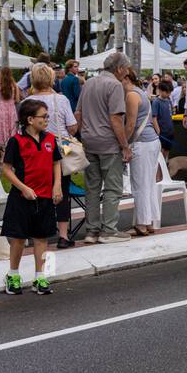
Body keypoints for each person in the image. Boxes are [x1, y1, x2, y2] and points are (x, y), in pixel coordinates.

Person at [0, 98, 63, 295]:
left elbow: (56, 163)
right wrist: (23, 187)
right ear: (29, 119)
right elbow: (7, 169)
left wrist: (57, 185)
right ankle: (13, 274)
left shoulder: (51, 139)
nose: (46, 119)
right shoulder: (16, 141)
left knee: (41, 238)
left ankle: (40, 276)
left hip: (44, 198)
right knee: (18, 238)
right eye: (43, 116)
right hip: (22, 198)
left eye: (47, 116)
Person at [77, 51, 133, 244]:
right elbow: (116, 119)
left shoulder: (89, 82)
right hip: (108, 143)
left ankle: (92, 231)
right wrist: (125, 146)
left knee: (92, 188)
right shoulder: (115, 85)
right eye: (125, 70)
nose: (126, 73)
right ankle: (109, 230)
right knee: (112, 188)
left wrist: (81, 134)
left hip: (88, 141)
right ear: (119, 69)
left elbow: (79, 113)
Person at [26, 62, 78, 248]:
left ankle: (38, 233)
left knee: (37, 190)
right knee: (62, 189)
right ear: (51, 79)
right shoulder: (61, 100)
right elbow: (72, 127)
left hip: (35, 150)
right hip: (61, 147)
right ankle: (63, 235)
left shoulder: (27, 102)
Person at [123, 68, 161, 237]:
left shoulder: (131, 95)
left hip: (141, 143)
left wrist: (123, 144)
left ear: (125, 78)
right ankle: (150, 222)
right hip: (152, 141)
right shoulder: (142, 93)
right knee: (148, 184)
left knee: (140, 185)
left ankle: (142, 224)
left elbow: (130, 125)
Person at [0, 67, 21, 153]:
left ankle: (3, 152)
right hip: (11, 110)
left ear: (1, 74)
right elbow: (17, 100)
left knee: (1, 130)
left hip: (0, 109)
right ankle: (11, 151)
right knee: (11, 129)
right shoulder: (14, 86)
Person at [152, 79, 176, 155]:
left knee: (167, 150)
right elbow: (154, 117)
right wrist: (158, 130)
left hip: (170, 131)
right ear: (161, 90)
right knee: (161, 152)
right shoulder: (156, 102)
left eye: (170, 92)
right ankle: (160, 167)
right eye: (167, 92)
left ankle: (165, 165)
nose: (169, 94)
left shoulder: (168, 100)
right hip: (162, 132)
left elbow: (170, 114)